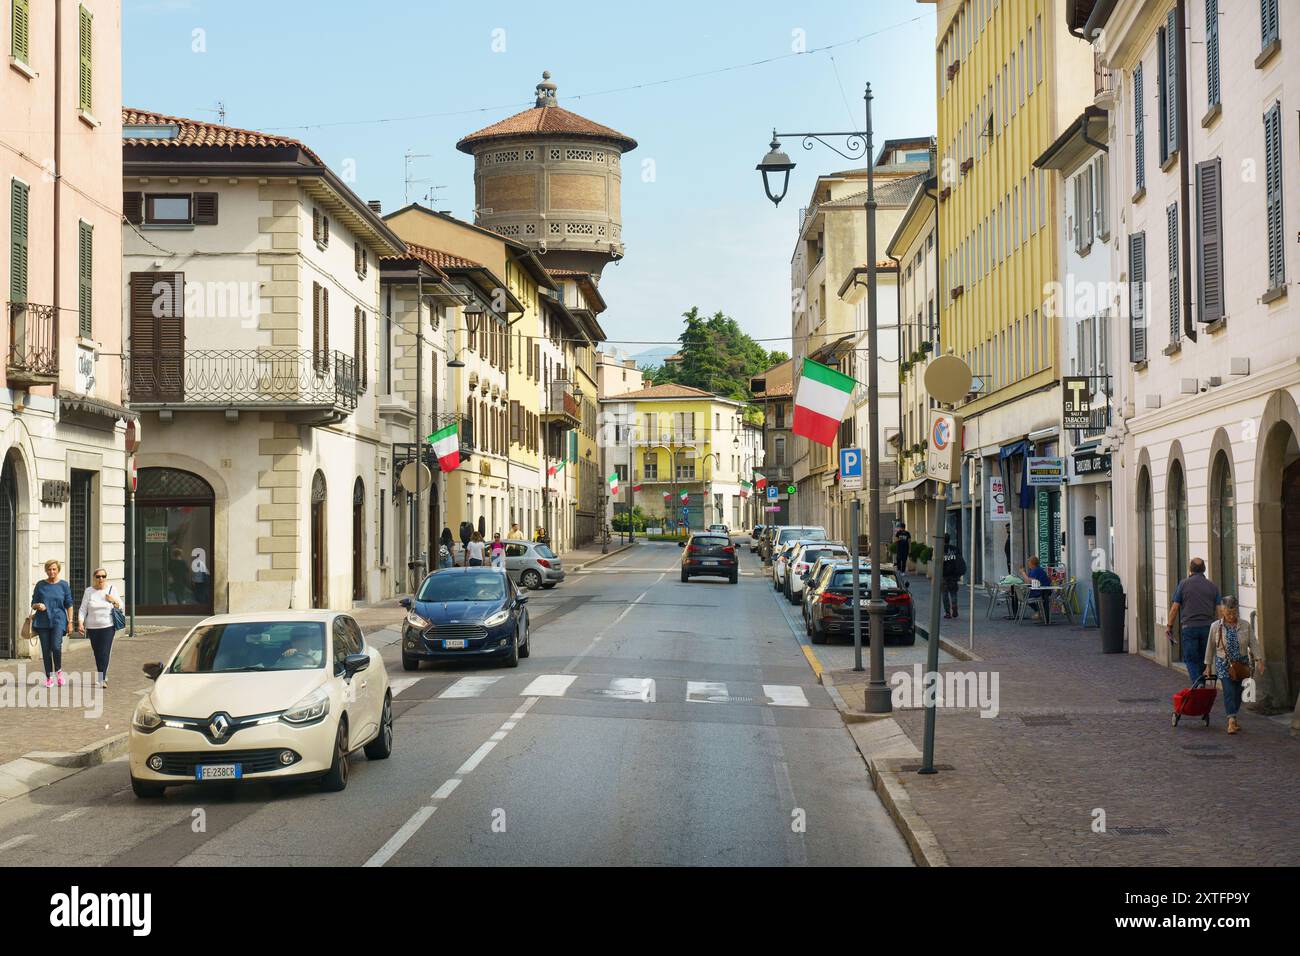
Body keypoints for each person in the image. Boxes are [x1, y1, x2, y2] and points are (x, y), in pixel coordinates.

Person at [1204, 596, 1263, 735]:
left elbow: (1253, 643)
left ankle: (1234, 716)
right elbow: (1210, 647)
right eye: (1228, 613)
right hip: (1223, 663)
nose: (1231, 616)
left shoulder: (1245, 625)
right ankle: (1231, 720)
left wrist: (1259, 659)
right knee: (1229, 690)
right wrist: (1208, 665)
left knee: (1239, 692)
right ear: (1222, 611)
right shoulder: (1215, 627)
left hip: (1242, 664)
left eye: (1234, 613)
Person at [1167, 557, 1222, 684]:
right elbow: (1219, 610)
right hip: (1208, 627)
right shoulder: (1212, 586)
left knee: (1191, 659)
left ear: (1190, 569)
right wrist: (1221, 628)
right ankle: (1200, 682)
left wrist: (1169, 625)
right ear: (1204, 569)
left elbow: (1175, 608)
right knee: (1204, 658)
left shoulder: (1183, 584)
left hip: (1189, 627)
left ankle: (1198, 684)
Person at [31, 559, 74, 688]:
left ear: (58, 570)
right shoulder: (40, 585)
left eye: (54, 569)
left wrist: (70, 622)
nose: (52, 571)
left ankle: (59, 671)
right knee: (45, 650)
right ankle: (49, 677)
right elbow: (33, 604)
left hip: (58, 620)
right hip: (42, 621)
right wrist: (38, 605)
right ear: (46, 570)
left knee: (56, 646)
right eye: (49, 569)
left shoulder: (64, 585)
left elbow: (69, 604)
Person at [77, 568, 123, 688]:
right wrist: (80, 623)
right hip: (92, 627)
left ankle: (103, 678)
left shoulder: (112, 589)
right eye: (98, 576)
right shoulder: (89, 591)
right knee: (97, 652)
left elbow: (120, 607)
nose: (101, 579)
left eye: (103, 576)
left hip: (107, 625)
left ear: (106, 577)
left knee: (104, 652)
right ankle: (101, 674)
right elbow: (83, 609)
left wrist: (113, 601)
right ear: (94, 578)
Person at [1020, 556, 1053, 623]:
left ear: (1032, 563)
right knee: (1026, 596)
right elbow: (1028, 582)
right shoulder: (1034, 570)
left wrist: (1023, 573)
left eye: (1029, 562)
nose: (1027, 564)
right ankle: (1040, 612)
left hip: (1042, 591)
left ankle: (1040, 612)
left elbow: (1030, 581)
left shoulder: (1036, 570)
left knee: (1026, 596)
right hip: (1040, 590)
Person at [941, 534, 967, 619]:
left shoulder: (940, 549)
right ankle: (954, 605)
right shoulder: (955, 549)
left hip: (944, 575)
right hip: (953, 575)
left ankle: (947, 612)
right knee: (953, 592)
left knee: (945, 594)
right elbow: (959, 561)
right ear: (949, 539)